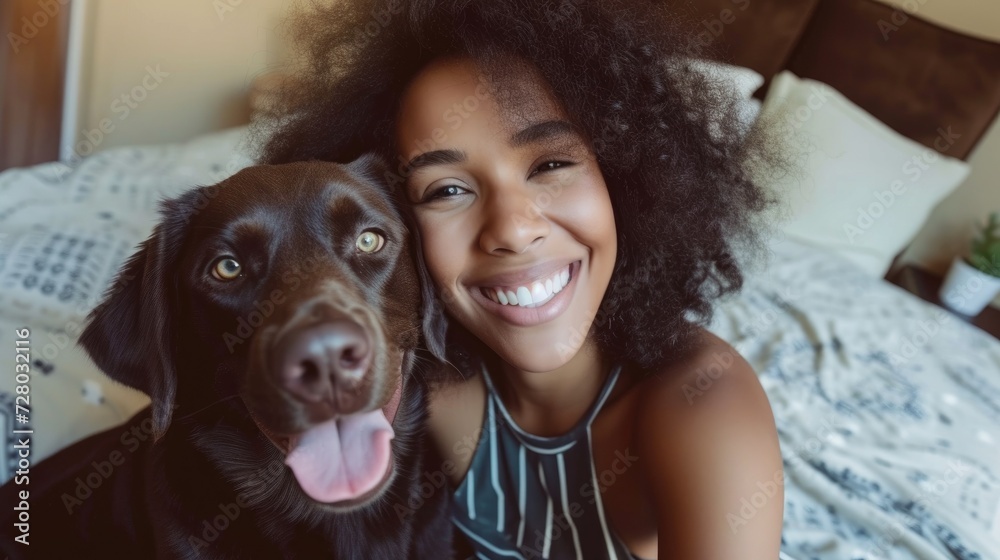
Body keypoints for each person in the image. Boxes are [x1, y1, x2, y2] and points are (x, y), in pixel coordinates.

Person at [256, 0, 786, 557]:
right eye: (446, 190)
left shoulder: (703, 404)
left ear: (625, 179)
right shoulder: (424, 382)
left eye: (551, 164)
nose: (511, 228)